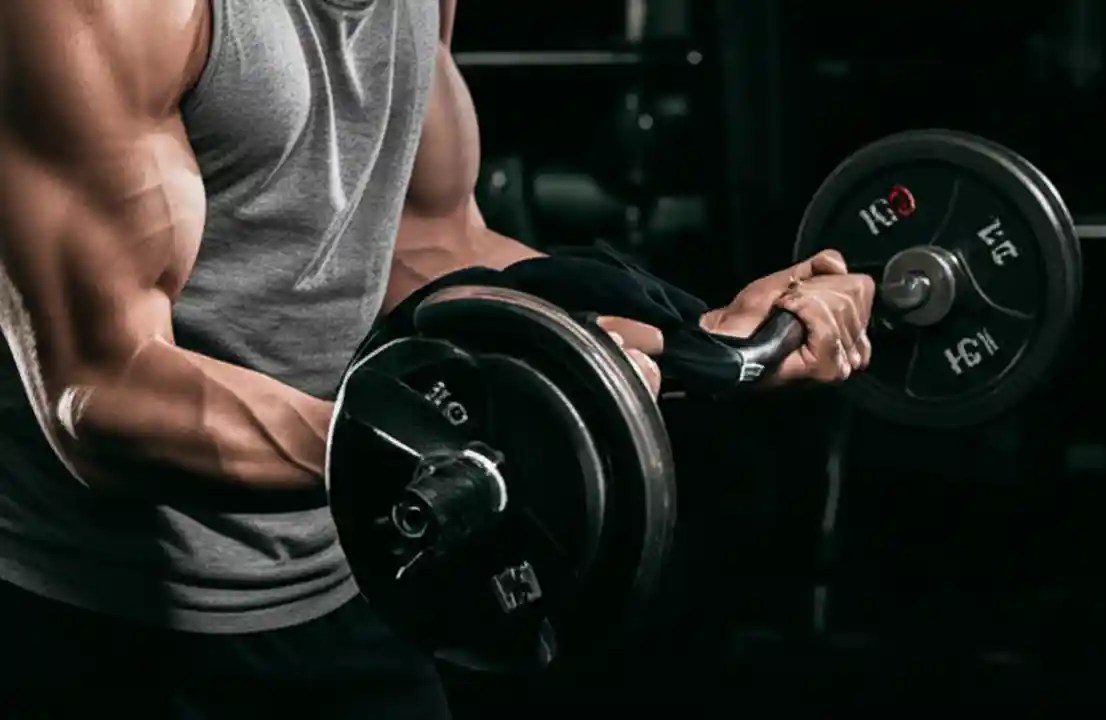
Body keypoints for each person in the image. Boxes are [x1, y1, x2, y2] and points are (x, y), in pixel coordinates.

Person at [0, 0, 874, 716]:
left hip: (353, 584)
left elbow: (424, 245)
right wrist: (439, 453)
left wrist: (702, 341)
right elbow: (104, 390)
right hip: (91, 622)